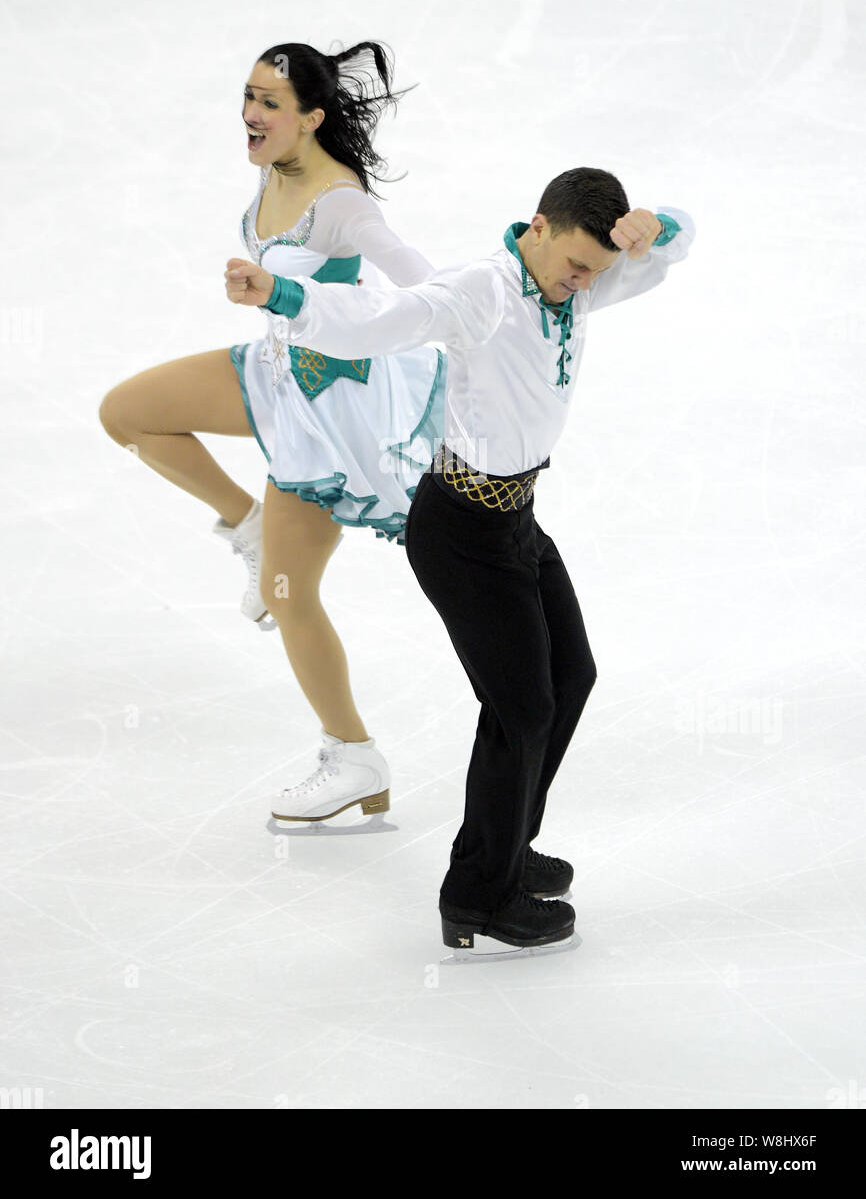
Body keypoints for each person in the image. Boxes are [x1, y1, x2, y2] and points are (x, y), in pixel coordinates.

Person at [225, 167, 696, 950]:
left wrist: (660, 224)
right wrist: (283, 298)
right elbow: (377, 322)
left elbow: (673, 247)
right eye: (576, 264)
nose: (585, 283)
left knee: (569, 677)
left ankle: (506, 847)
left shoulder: (578, 286)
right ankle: (480, 895)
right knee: (520, 709)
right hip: (460, 531)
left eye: (597, 271)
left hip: (515, 520)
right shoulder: (481, 291)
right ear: (537, 228)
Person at [99, 41, 446, 824]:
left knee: (289, 595)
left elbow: (422, 286)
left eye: (269, 104)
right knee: (127, 414)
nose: (251, 116)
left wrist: (287, 289)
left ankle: (353, 756)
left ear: (311, 119)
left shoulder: (343, 203)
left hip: (326, 409)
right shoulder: (274, 169)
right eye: (248, 96)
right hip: (272, 370)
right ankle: (246, 524)